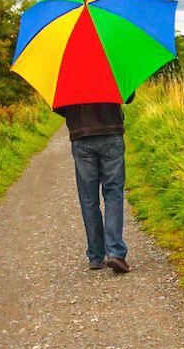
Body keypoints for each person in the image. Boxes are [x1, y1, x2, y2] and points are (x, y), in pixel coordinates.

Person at [54, 94, 134, 273]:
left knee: (88, 198)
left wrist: (75, 115)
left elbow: (58, 106)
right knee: (113, 192)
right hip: (111, 131)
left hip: (81, 136)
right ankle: (115, 252)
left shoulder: (66, 72)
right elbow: (128, 95)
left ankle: (96, 256)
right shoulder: (112, 66)